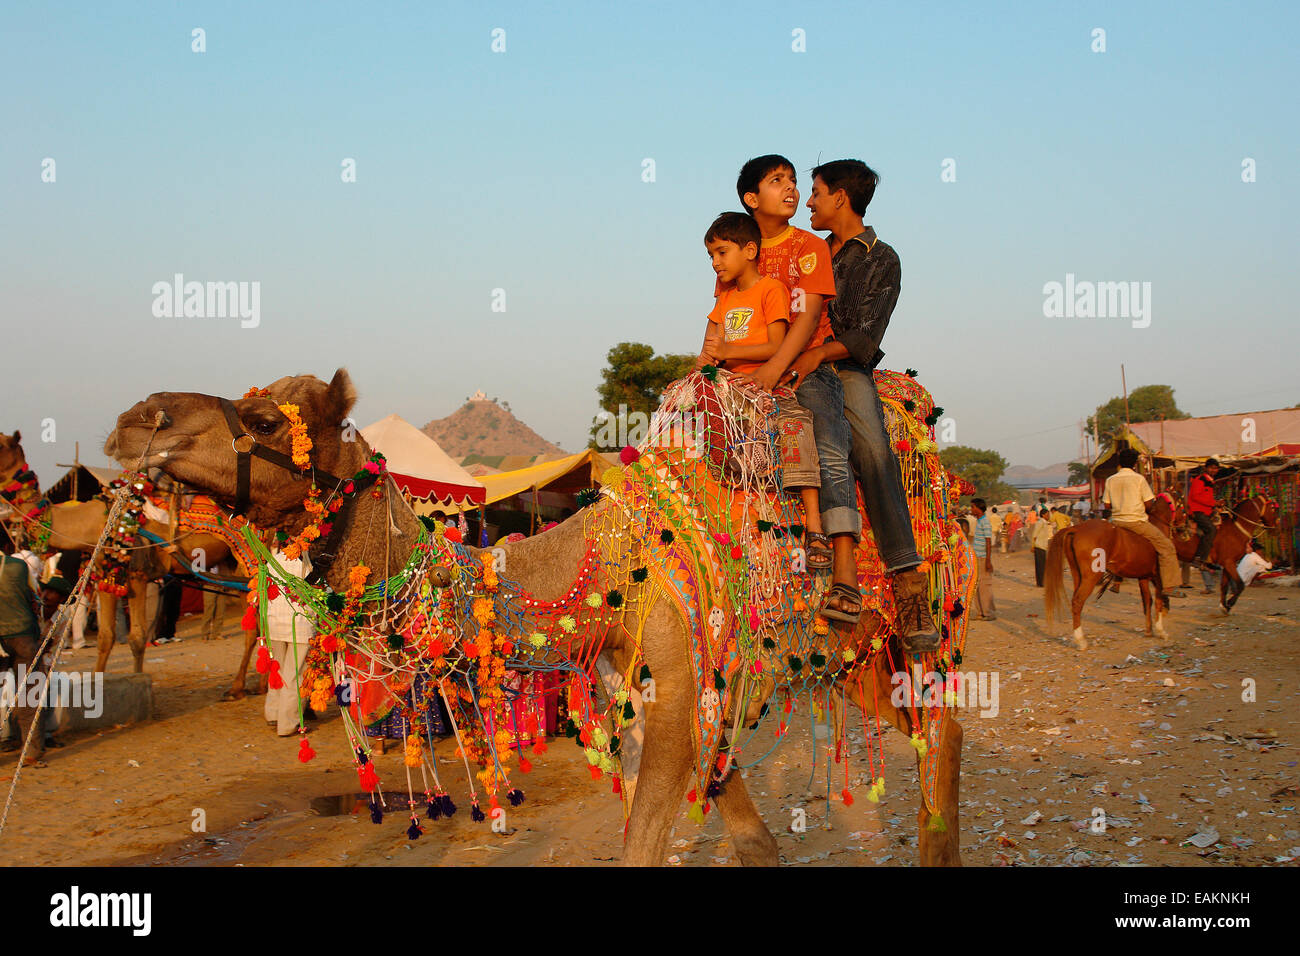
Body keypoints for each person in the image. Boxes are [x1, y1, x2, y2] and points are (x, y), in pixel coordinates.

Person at [791, 158, 936, 649]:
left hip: (842, 366)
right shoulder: (804, 252)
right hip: (794, 362)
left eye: (815, 192)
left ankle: (909, 585)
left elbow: (865, 335)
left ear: (840, 198)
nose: (807, 202)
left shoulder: (880, 257)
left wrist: (814, 356)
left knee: (872, 451)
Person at [696, 211, 826, 567]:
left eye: (721, 252)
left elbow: (775, 345)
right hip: (730, 388)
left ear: (750, 250)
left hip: (764, 383)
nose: (715, 263)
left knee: (796, 425)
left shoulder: (771, 289)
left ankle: (815, 526)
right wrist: (696, 374)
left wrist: (729, 352)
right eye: (710, 255)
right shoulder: (724, 300)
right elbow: (709, 350)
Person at [1102, 447, 1184, 596]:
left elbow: (1107, 505)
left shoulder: (1110, 480)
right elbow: (1149, 505)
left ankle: (1116, 580)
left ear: (1120, 464)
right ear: (1134, 464)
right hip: (1136, 522)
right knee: (1167, 547)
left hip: (1116, 521)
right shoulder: (1139, 479)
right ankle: (1170, 586)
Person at [0, 544, 49, 765]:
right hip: (24, 636)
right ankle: (32, 750)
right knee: (30, 693)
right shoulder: (19, 566)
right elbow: (35, 597)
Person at [263, 549, 316, 736]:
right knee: (294, 676)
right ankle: (288, 724)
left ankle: (273, 713)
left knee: (277, 670)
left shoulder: (273, 560)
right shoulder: (309, 563)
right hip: (299, 626)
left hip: (275, 623)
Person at [1188, 458, 1221, 569]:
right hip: (1198, 511)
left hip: (1207, 510)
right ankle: (1199, 558)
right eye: (1211, 468)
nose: (1214, 470)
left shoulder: (1210, 481)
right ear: (1206, 468)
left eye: (1216, 468)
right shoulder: (1200, 480)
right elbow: (1195, 496)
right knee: (1211, 529)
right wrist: (1213, 503)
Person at [969, 499, 996, 619]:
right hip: (977, 557)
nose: (971, 510)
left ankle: (988, 612)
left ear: (977, 508)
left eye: (972, 507)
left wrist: (988, 561)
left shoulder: (985, 522)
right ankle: (981, 612)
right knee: (977, 586)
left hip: (982, 558)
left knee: (984, 586)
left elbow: (988, 542)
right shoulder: (979, 521)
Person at [1031, 507, 1054, 587]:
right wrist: (1033, 545)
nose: (1048, 516)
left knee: (1042, 565)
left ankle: (1042, 582)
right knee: (1040, 566)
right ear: (1043, 515)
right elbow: (1034, 535)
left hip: (1043, 546)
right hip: (1039, 545)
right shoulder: (1040, 522)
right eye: (1047, 515)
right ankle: (1041, 582)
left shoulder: (1046, 523)